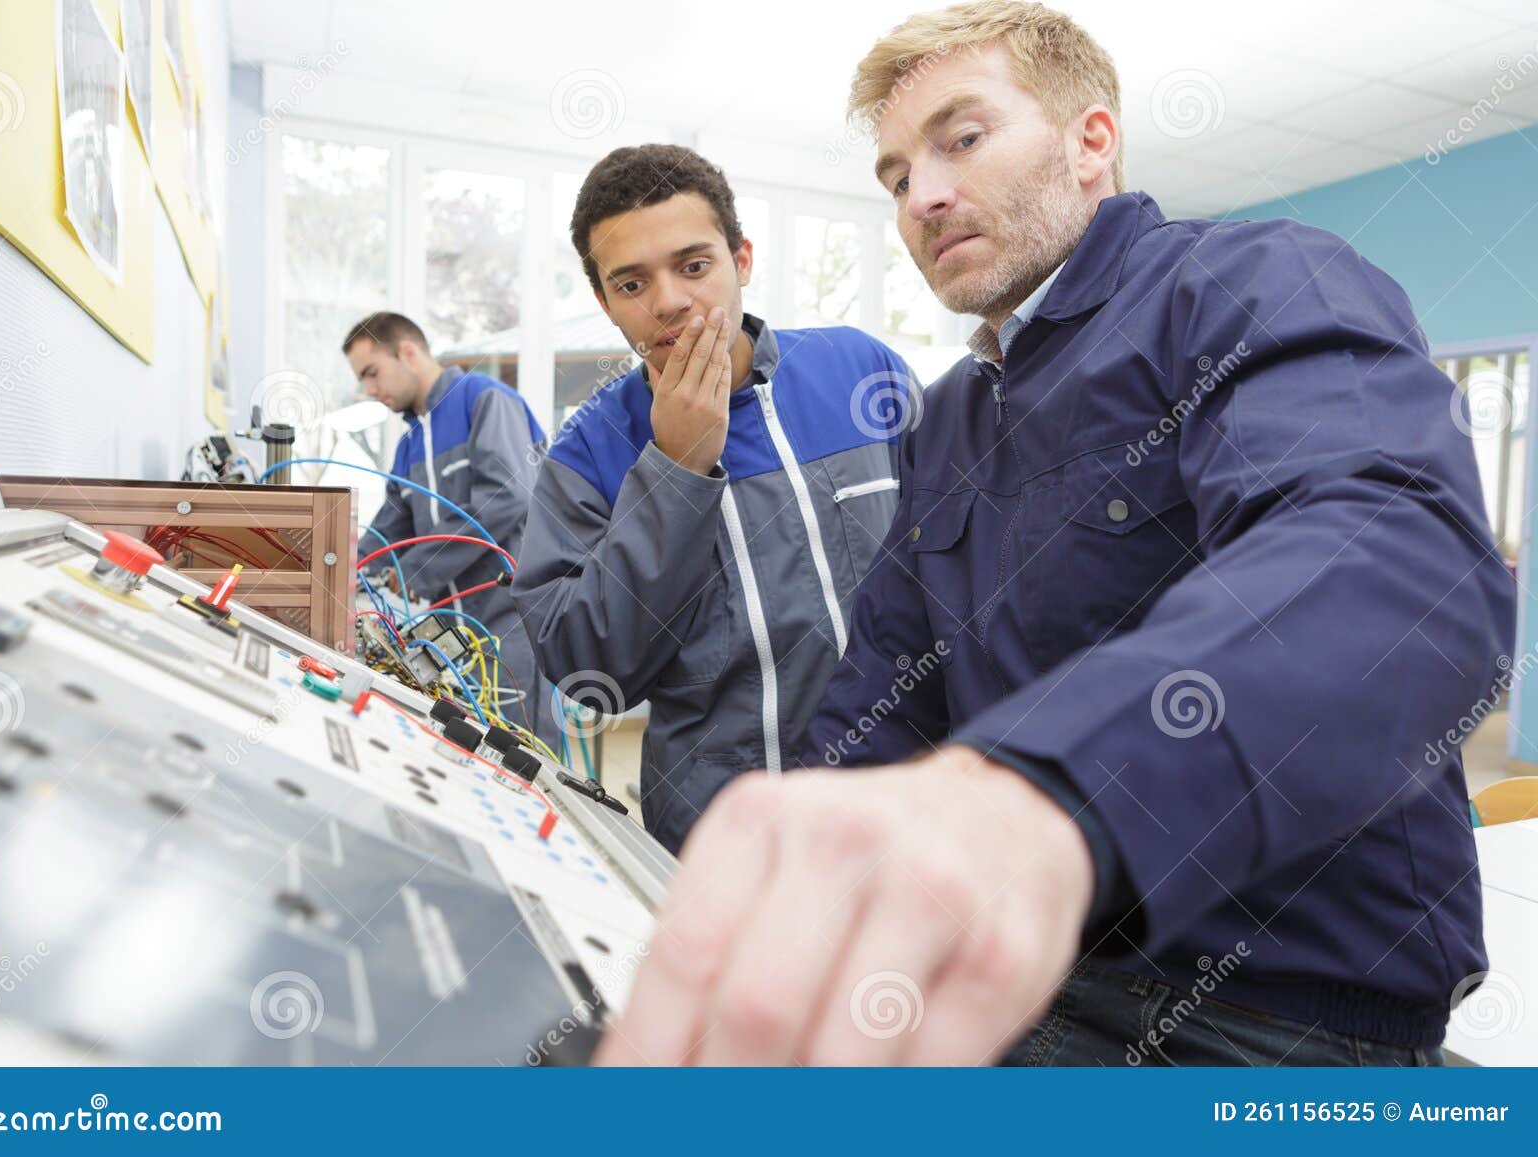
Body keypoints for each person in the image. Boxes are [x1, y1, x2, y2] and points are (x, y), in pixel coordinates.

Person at [595, 1, 1514, 1066]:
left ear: (1090, 140)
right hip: (1031, 979)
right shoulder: (948, 418)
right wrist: (797, 870)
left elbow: (1395, 567)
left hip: (1268, 1014)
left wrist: (1044, 799)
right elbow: (888, 682)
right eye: (894, 177)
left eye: (962, 138)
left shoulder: (1249, 284)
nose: (922, 195)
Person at [512, 144, 918, 853]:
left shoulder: (862, 371)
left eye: (694, 266)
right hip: (722, 838)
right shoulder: (583, 456)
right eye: (631, 284)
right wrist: (674, 468)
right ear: (606, 303)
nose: (668, 301)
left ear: (743, 260)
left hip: (906, 804)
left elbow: (961, 564)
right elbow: (588, 670)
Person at [344, 311, 557, 750]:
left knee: (520, 753)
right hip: (452, 633)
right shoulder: (408, 444)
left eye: (372, 373)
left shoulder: (484, 401)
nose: (369, 390)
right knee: (470, 749)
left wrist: (415, 573)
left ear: (408, 352)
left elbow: (505, 499)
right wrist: (342, 569)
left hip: (510, 620)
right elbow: (390, 527)